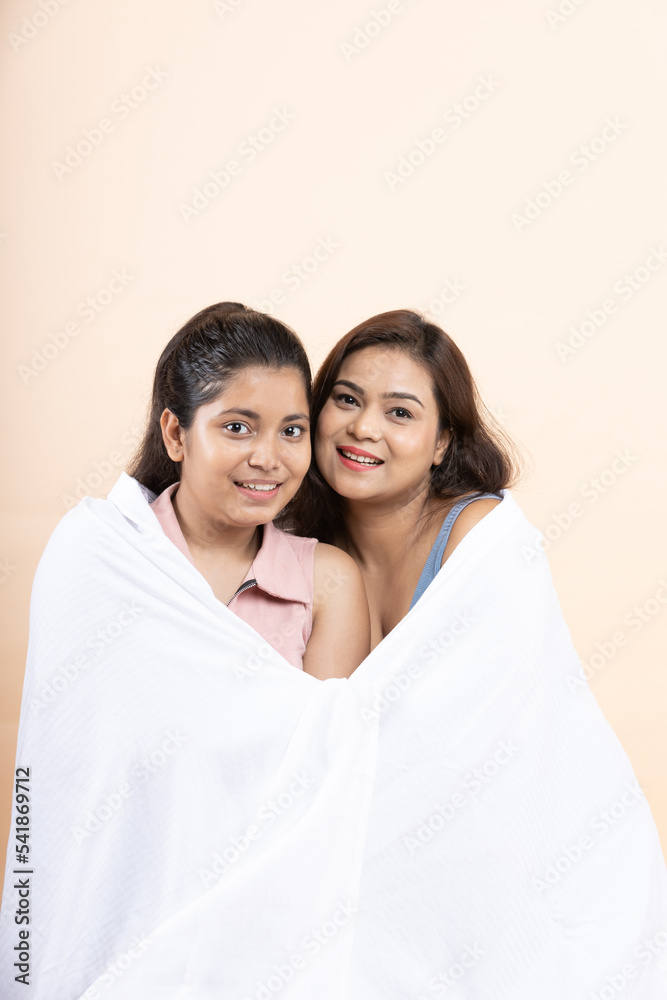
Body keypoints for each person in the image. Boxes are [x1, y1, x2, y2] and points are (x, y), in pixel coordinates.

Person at [128, 301, 369, 678]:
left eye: (291, 431)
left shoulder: (326, 583)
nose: (268, 459)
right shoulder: (115, 550)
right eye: (238, 427)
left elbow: (329, 735)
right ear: (176, 434)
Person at [280, 308, 518, 647]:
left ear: (441, 442)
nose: (363, 429)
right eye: (347, 399)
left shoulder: (476, 534)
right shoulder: (287, 540)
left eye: (400, 413)